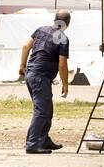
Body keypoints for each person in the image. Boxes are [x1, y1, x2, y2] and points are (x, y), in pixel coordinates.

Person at [18, 11, 71, 153]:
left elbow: (25, 47)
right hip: (40, 77)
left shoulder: (40, 29)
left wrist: (22, 66)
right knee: (42, 111)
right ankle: (32, 143)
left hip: (31, 74)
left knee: (47, 109)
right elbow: (62, 64)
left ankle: (44, 140)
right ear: (68, 24)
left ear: (54, 20)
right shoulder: (63, 39)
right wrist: (65, 84)